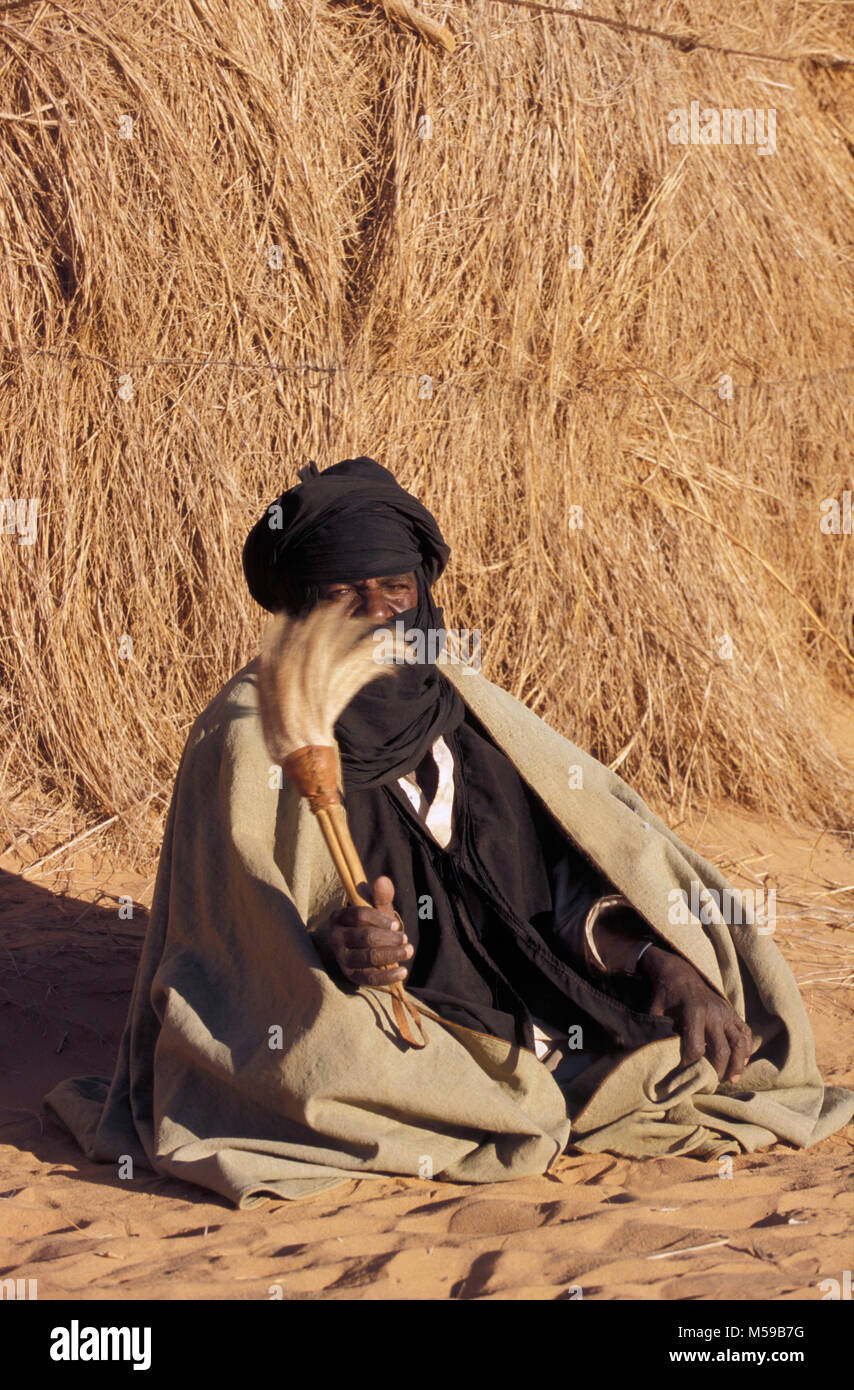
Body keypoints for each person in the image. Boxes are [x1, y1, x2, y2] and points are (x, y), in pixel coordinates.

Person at [44, 455, 854, 1208]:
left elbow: (554, 877)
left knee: (703, 1013)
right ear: (297, 607)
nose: (375, 616)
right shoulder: (252, 733)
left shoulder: (462, 706)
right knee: (346, 1080)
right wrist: (340, 950)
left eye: (393, 588)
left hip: (529, 1006)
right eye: (339, 594)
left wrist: (659, 961)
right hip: (380, 1020)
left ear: (422, 591)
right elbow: (232, 948)